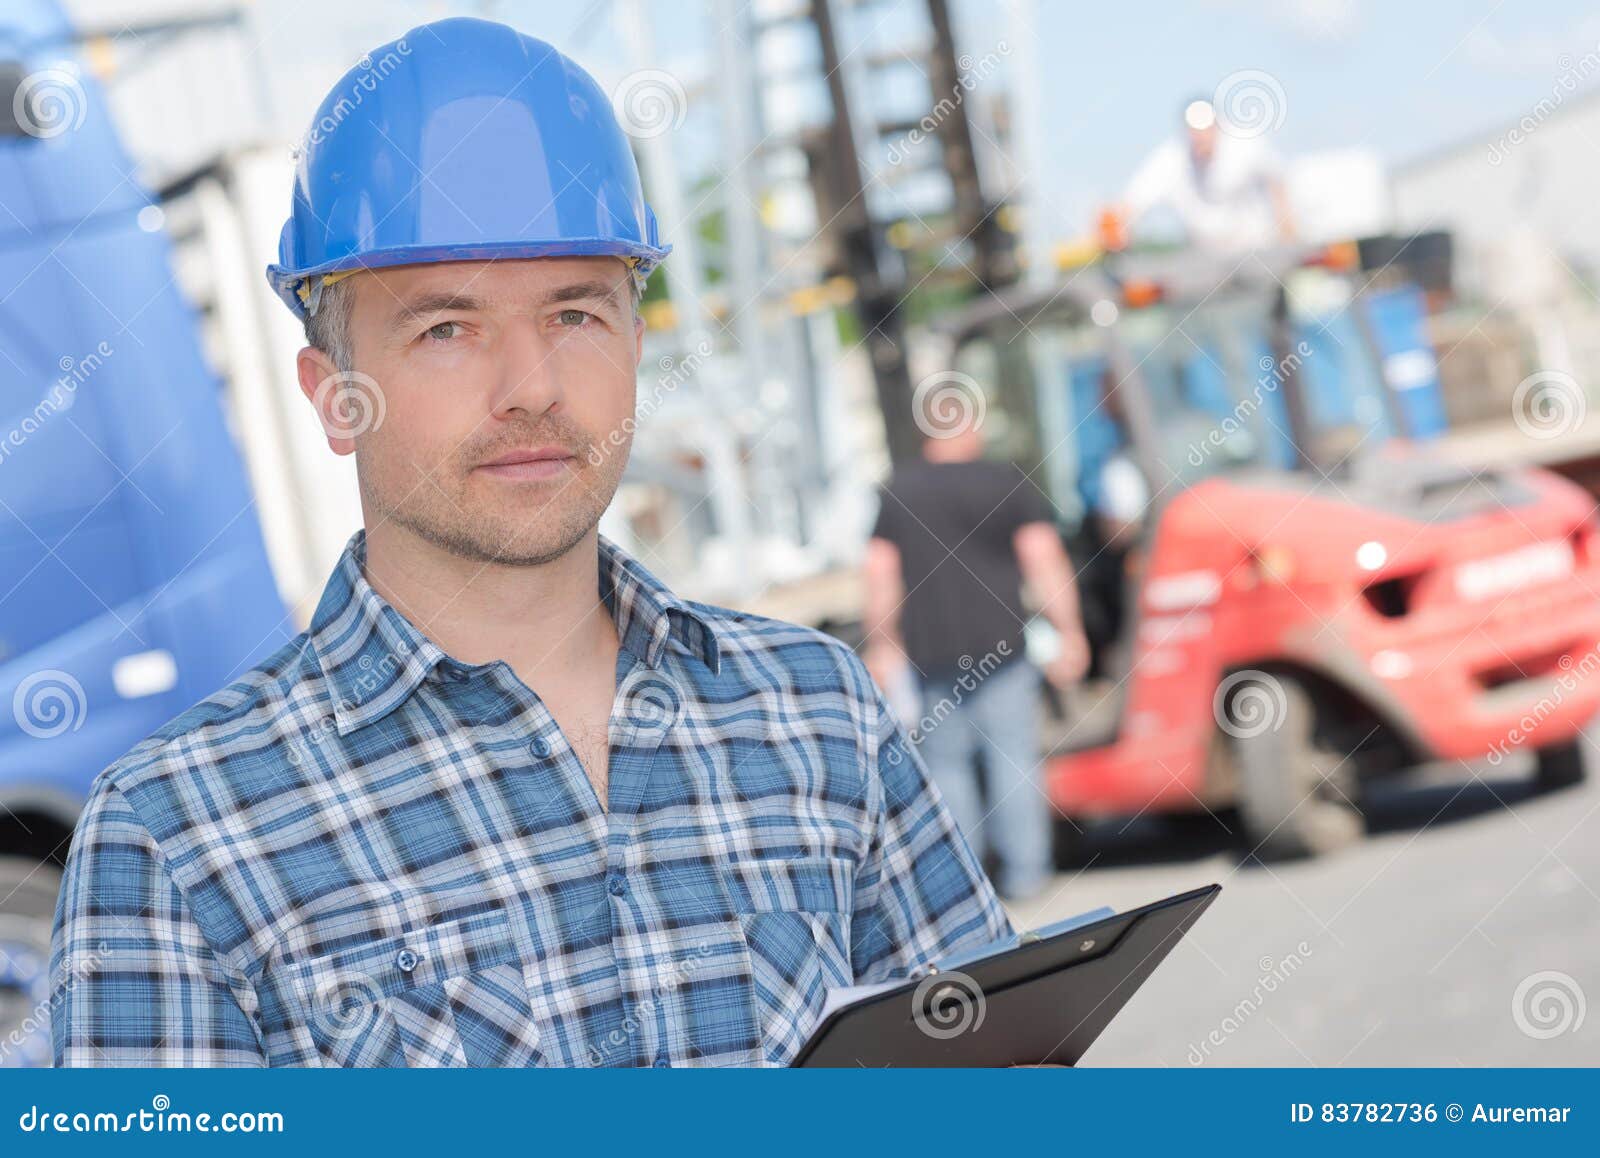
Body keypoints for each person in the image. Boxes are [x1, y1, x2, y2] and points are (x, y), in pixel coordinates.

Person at [47, 17, 1009, 1069]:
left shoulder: (817, 716)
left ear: (636, 349)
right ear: (334, 398)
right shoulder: (177, 840)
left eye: (574, 315)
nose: (533, 389)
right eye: (446, 328)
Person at [862, 418, 1089, 903]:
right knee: (1013, 759)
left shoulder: (900, 489)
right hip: (1002, 651)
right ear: (971, 427)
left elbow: (879, 572)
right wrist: (1069, 630)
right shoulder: (1005, 482)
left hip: (933, 655)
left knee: (948, 769)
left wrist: (882, 644)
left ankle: (968, 885)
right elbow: (1043, 558)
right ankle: (1026, 876)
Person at [1117, 96, 1294, 254]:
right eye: (1194, 130)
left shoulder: (1246, 144)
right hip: (1205, 257)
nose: (1201, 136)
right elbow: (1133, 201)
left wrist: (1288, 237)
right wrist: (1119, 227)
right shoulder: (1171, 159)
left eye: (1206, 128)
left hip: (1258, 250)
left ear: (1218, 125)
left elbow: (1277, 182)